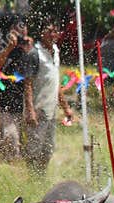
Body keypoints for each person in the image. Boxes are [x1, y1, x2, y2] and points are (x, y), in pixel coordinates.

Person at [25, 19, 74, 174]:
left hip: (51, 110)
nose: (53, 34)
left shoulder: (55, 51)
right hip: (38, 109)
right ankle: (32, 177)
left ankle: (40, 176)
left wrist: (66, 108)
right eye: (49, 31)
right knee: (34, 147)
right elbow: (28, 84)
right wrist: (30, 110)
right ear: (42, 33)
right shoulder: (35, 53)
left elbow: (56, 82)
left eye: (55, 31)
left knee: (49, 148)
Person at [0, 18, 35, 161]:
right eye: (18, 28)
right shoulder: (2, 47)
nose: (22, 31)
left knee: (28, 142)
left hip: (26, 102)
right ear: (11, 31)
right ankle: (9, 167)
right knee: (11, 138)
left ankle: (24, 169)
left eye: (24, 28)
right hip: (7, 102)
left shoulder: (29, 48)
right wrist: (9, 48)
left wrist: (29, 48)